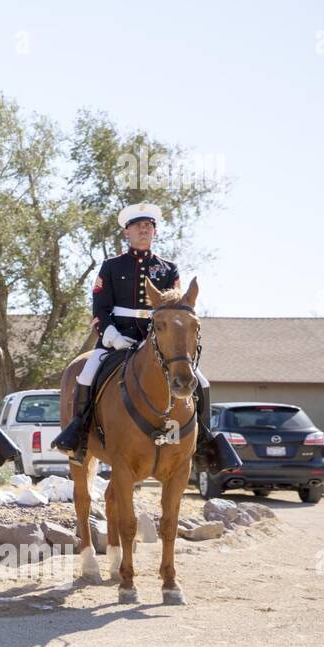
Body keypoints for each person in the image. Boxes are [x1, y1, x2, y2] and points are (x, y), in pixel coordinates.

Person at [51, 203, 241, 473]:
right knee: (86, 374)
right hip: (118, 337)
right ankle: (79, 433)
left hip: (158, 340)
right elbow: (100, 308)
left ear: (154, 232)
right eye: (138, 226)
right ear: (127, 233)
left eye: (149, 226)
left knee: (201, 382)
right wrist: (111, 335)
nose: (144, 230)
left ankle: (203, 441)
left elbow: (176, 307)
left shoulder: (168, 269)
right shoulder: (112, 266)